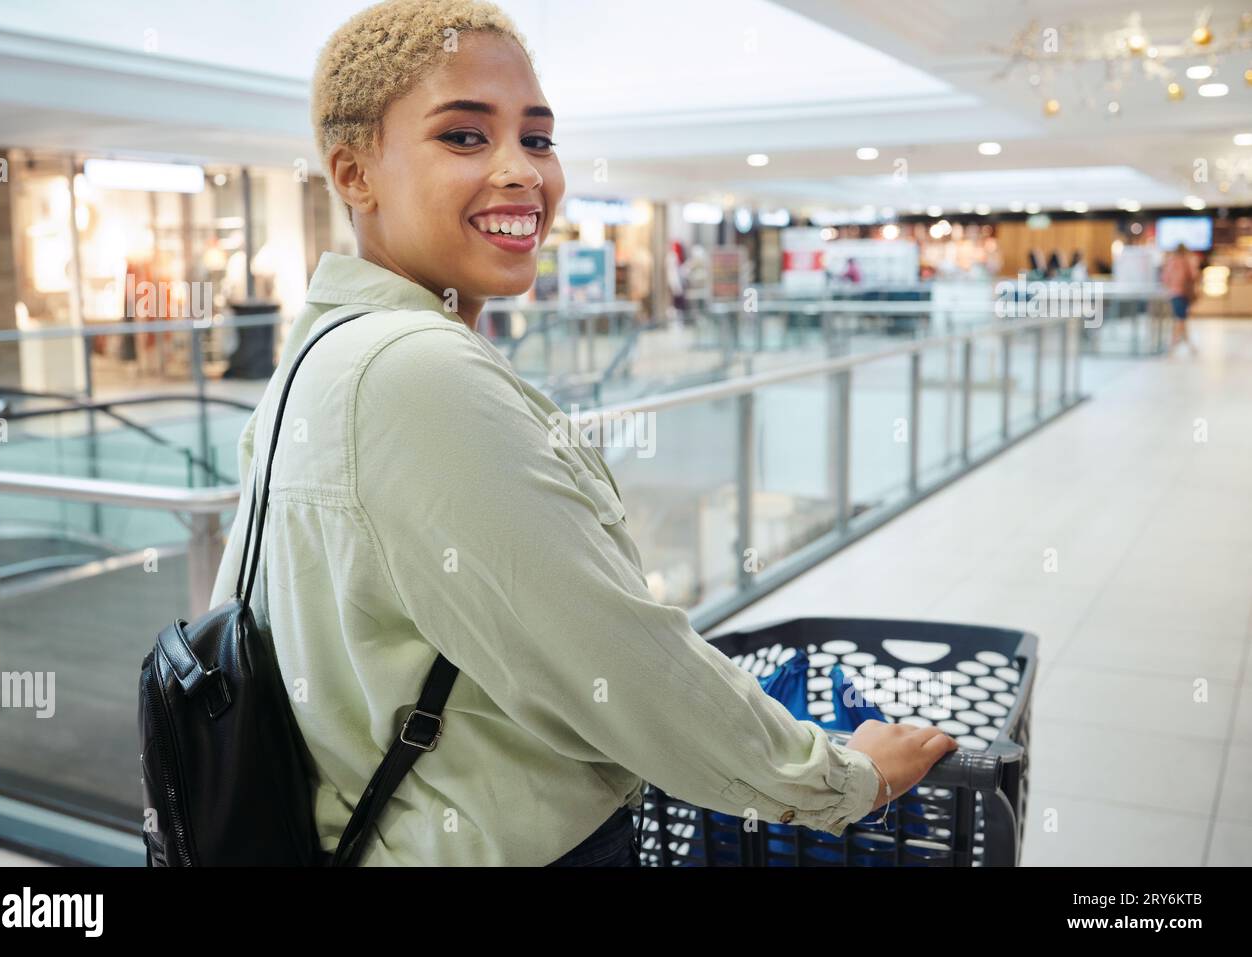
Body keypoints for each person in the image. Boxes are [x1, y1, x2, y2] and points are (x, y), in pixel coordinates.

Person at [210, 0, 956, 867]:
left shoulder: (319, 357)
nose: (521, 171)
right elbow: (616, 657)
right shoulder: (417, 372)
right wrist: (841, 778)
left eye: (536, 137)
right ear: (354, 173)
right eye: (463, 137)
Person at [1162, 243, 1199, 354]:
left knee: (1181, 318)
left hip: (1173, 293)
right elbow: (1194, 275)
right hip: (1183, 293)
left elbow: (1165, 278)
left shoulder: (1170, 261)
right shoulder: (1188, 261)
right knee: (1181, 319)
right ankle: (1173, 345)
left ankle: (1188, 344)